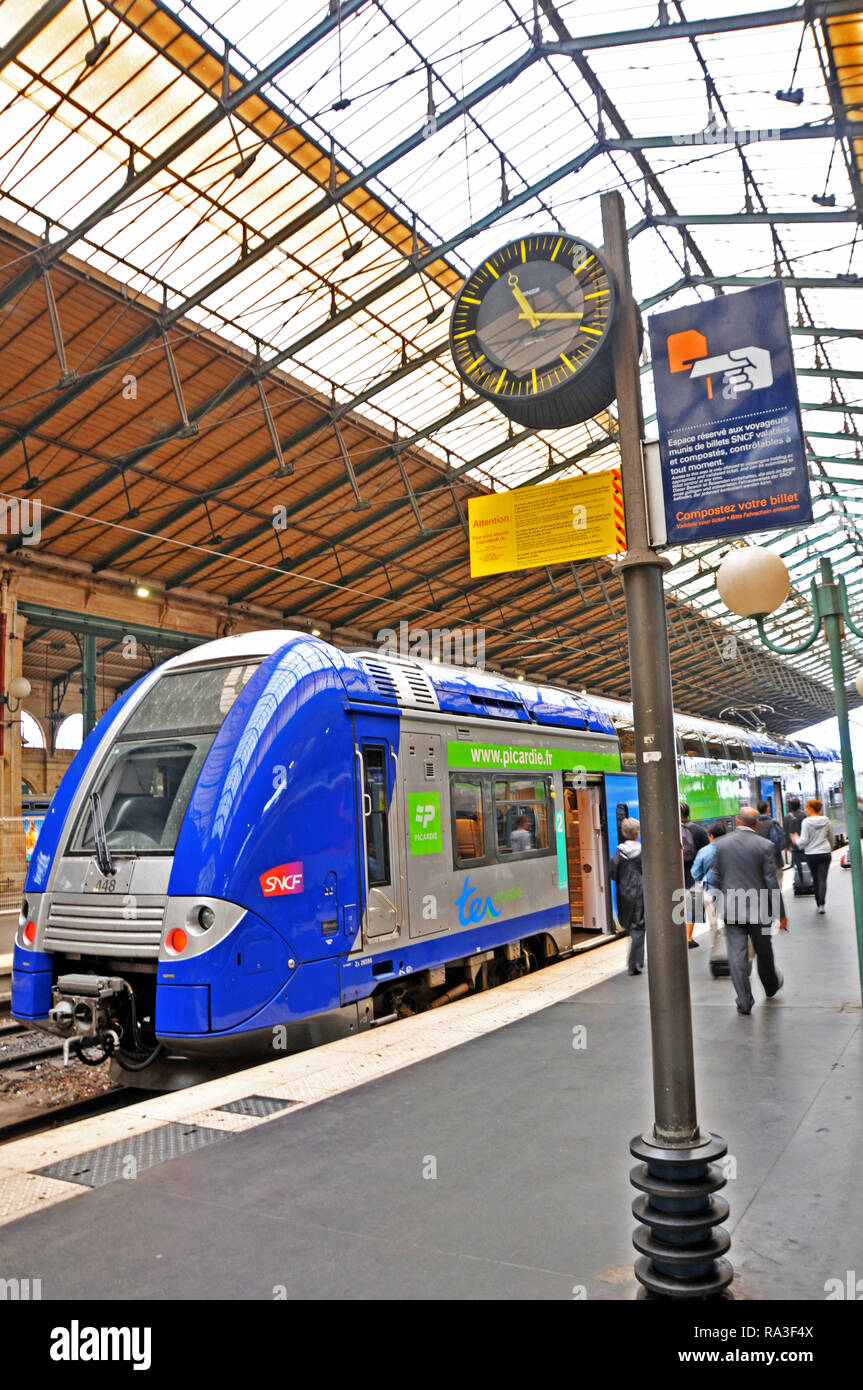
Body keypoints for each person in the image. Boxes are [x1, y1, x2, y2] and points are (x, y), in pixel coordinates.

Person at [711, 806, 787, 1015]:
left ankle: (744, 1001)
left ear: (738, 821)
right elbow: (771, 882)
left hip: (731, 909)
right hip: (759, 910)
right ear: (757, 823)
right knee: (764, 951)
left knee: (737, 955)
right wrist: (780, 913)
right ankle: (770, 987)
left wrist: (719, 903)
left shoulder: (720, 845)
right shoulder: (765, 845)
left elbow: (715, 878)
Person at [609, 818, 645, 975]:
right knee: (639, 928)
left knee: (631, 926)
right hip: (640, 894)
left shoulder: (619, 852)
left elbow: (612, 873)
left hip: (624, 895)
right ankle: (634, 963)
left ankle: (636, 961)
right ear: (637, 834)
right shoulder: (643, 851)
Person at [692, 821, 726, 951]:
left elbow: (695, 873)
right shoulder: (732, 848)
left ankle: (716, 946)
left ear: (711, 835)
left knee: (713, 921)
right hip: (730, 889)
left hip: (709, 890)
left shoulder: (704, 851)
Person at [798, 798, 834, 914]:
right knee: (822, 879)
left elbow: (804, 840)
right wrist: (830, 847)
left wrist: (796, 840)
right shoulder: (826, 820)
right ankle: (822, 905)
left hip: (811, 854)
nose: (805, 810)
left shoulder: (806, 822)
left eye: (806, 808)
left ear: (810, 809)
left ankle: (818, 902)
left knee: (815, 878)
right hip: (825, 852)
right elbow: (831, 837)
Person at [681, 802, 709, 949]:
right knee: (692, 905)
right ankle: (688, 937)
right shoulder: (698, 830)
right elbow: (707, 852)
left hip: (674, 873)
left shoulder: (667, 831)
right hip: (693, 873)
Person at [756, 800, 786, 871]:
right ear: (767, 809)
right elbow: (779, 842)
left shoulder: (754, 824)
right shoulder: (773, 823)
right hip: (774, 860)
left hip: (759, 861)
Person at [783, 797, 803, 876]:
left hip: (793, 845)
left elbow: (785, 832)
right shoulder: (804, 815)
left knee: (797, 864)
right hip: (804, 843)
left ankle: (800, 878)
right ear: (799, 805)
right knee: (806, 863)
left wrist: (786, 845)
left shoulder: (786, 817)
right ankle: (807, 877)